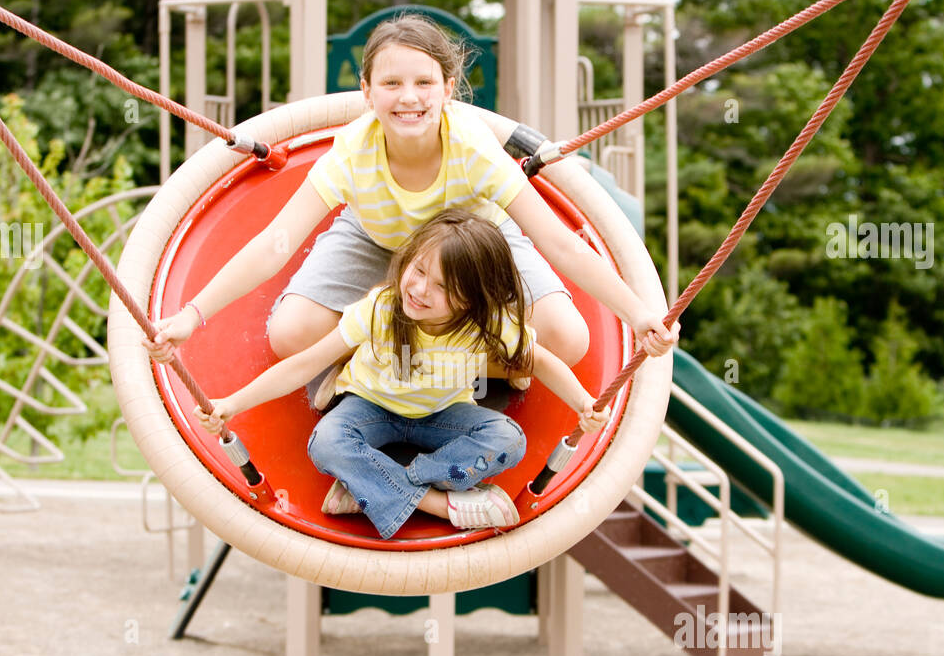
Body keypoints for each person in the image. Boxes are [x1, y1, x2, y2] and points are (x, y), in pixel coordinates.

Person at [143, 13, 679, 398]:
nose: (409, 97)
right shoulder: (354, 149)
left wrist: (639, 315)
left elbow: (556, 239)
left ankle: (414, 363)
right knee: (290, 335)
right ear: (367, 91)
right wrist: (193, 315)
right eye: (391, 83)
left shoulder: (471, 146)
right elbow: (278, 241)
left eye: (424, 82)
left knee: (566, 340)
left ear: (448, 88)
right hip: (379, 238)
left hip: (475, 242)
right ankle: (416, 359)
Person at [190, 210, 622, 540]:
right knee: (327, 442)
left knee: (509, 439)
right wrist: (232, 403)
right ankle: (439, 505)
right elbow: (303, 363)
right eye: (418, 271)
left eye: (441, 287)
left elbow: (543, 360)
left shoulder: (487, 325)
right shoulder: (382, 308)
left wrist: (584, 402)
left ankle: (373, 485)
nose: (419, 290)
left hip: (442, 415)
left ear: (473, 300)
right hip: (369, 407)